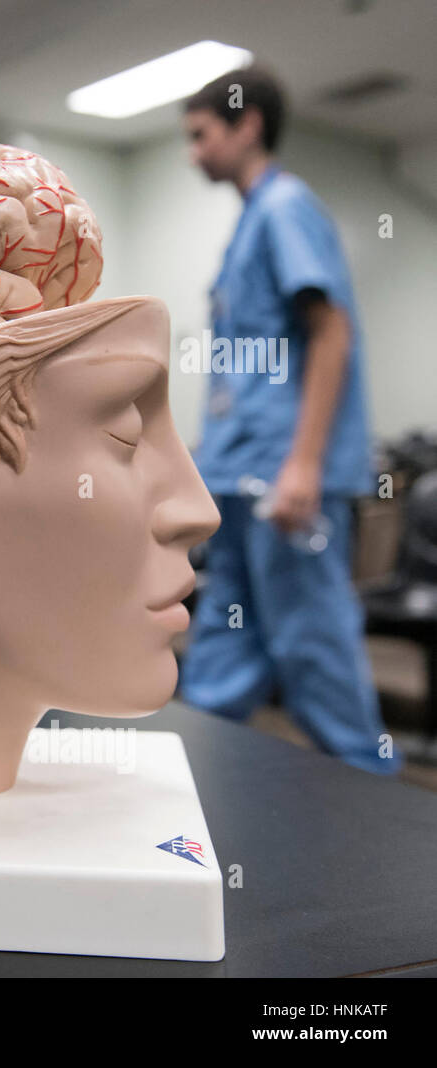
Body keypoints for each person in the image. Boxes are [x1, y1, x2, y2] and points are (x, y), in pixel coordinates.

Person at [177, 67, 398, 775]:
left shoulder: (285, 208)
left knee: (312, 645)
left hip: (282, 473)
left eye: (201, 135)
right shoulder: (249, 223)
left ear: (248, 125)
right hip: (242, 473)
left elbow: (331, 332)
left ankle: (379, 799)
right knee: (222, 642)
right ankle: (195, 783)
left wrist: (302, 464)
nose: (193, 153)